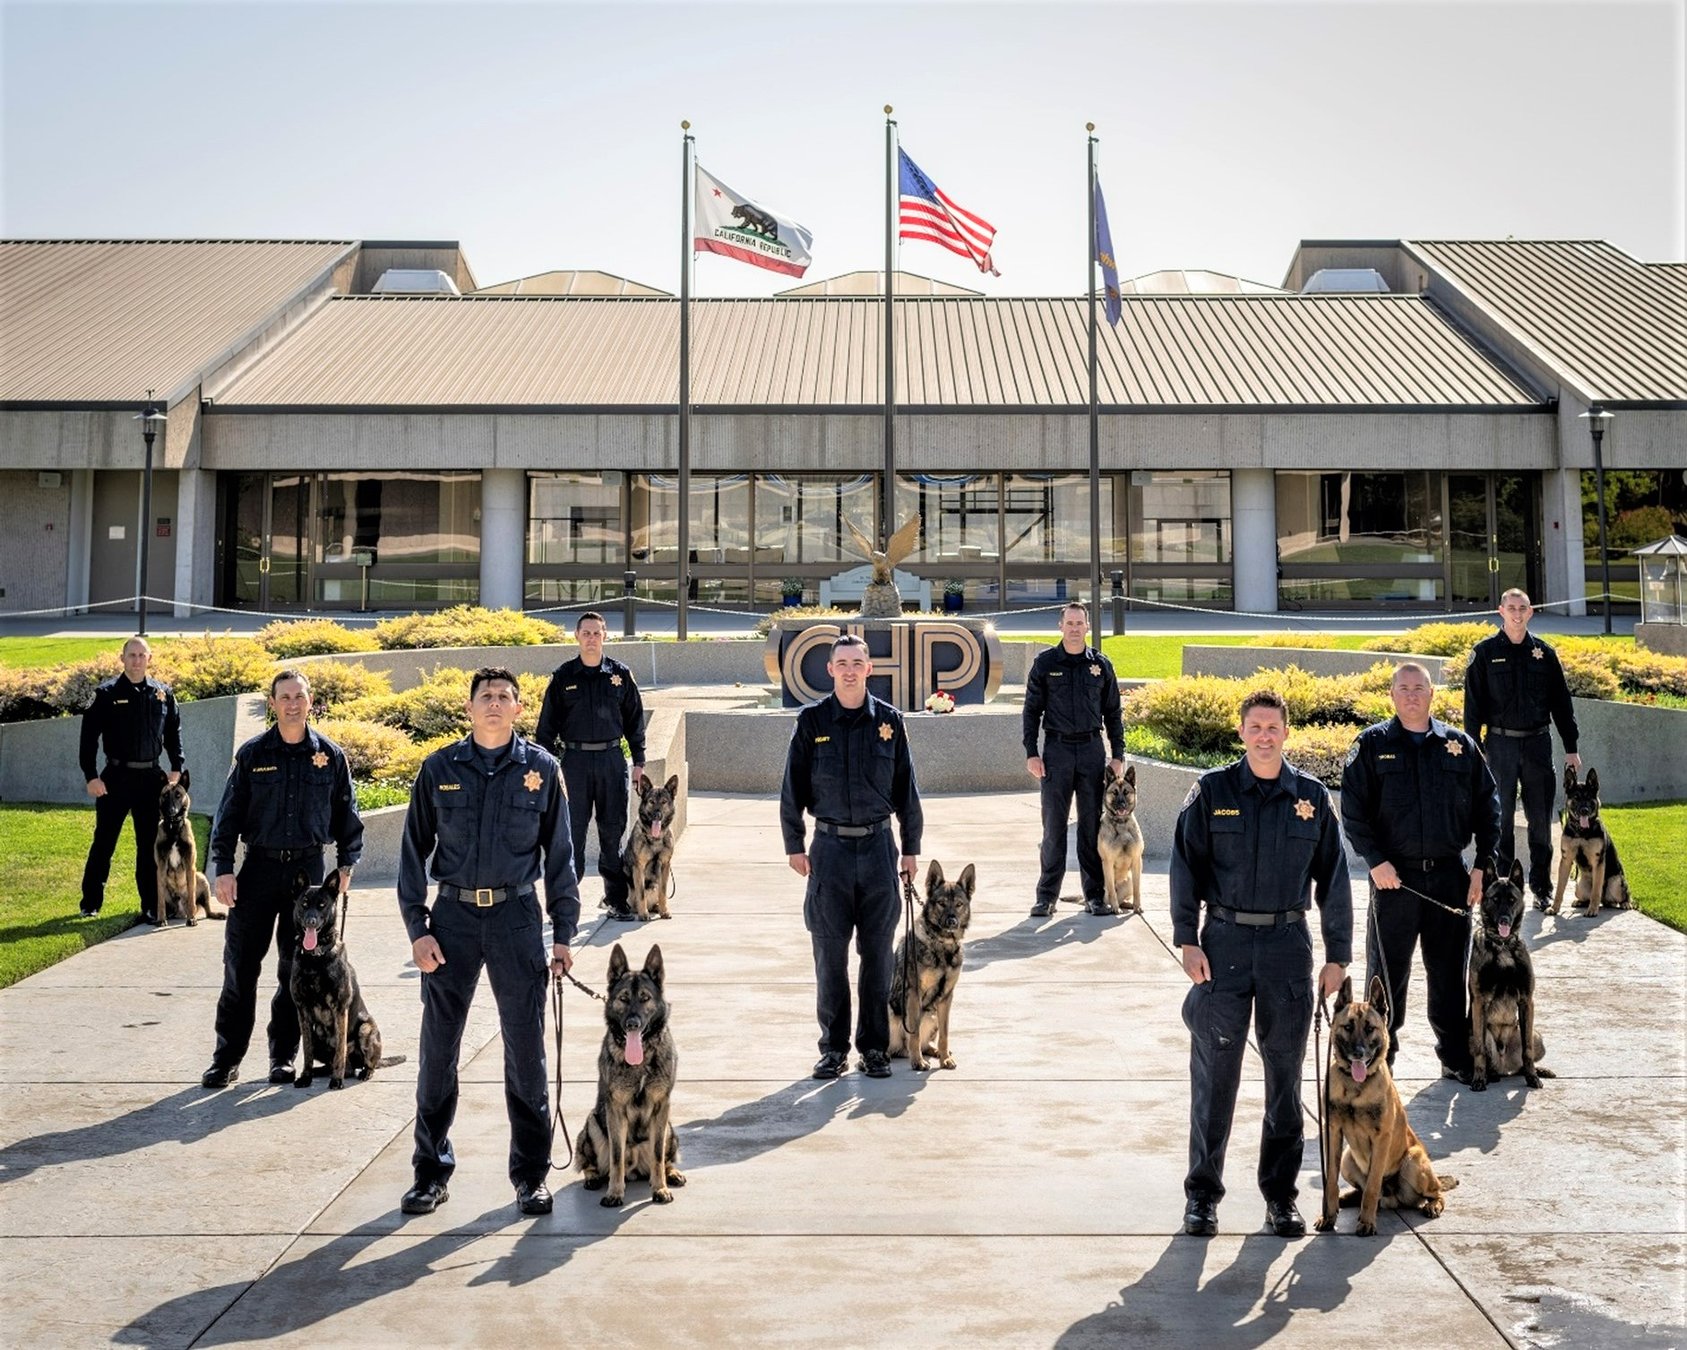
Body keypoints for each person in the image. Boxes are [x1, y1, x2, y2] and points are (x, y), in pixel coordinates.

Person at [1171, 689, 1352, 1238]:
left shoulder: (1312, 799)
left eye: (1273, 727)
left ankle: (1280, 1198)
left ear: (1286, 733)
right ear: (1242, 732)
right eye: (1255, 727)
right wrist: (1187, 938)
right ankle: (1202, 1197)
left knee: (1284, 1081)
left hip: (1286, 949)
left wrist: (1338, 955)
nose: (1264, 736)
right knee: (1214, 1078)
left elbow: (1335, 880)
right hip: (1222, 946)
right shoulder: (1212, 792)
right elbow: (1185, 866)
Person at [398, 667, 578, 1218]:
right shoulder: (440, 769)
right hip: (451, 918)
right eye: (485, 697)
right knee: (438, 1052)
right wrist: (418, 927)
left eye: (504, 697)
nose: (494, 704)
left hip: (517, 918)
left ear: (518, 709)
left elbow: (562, 858)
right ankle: (430, 1172)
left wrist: (564, 935)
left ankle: (530, 1176)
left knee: (526, 1052)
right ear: (470, 708)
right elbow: (411, 854)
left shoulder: (543, 771)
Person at [202, 669, 363, 1089]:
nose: (292, 704)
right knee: (240, 967)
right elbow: (228, 816)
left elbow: (349, 815)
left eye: (299, 696)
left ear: (311, 702)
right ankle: (226, 1058)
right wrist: (223, 869)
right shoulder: (253, 754)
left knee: (297, 972)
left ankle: (283, 1058)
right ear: (272, 703)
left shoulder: (330, 755)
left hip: (308, 875)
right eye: (284, 697)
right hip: (257, 871)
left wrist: (346, 864)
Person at [1341, 662, 1501, 1084]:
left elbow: (1490, 808)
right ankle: (1379, 1061)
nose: (1411, 694)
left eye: (1419, 687)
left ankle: (1453, 1056)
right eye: (1403, 687)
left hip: (1450, 879)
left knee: (1449, 973)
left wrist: (1482, 866)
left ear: (1432, 694)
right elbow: (1353, 811)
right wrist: (1375, 861)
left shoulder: (1459, 746)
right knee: (1386, 976)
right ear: (1391, 695)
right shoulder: (1372, 745)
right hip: (1394, 880)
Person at [780, 633, 923, 1080]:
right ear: (829, 670)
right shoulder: (811, 721)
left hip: (880, 850)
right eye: (841, 663)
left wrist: (911, 848)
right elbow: (792, 789)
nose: (848, 670)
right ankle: (833, 1048)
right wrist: (793, 845)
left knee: (878, 955)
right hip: (829, 852)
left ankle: (874, 1049)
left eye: (856, 663)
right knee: (830, 955)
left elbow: (907, 791)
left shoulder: (890, 722)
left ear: (869, 669)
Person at [1463, 588, 1581, 911]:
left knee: (1540, 818)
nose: (1517, 613)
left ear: (1531, 612)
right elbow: (1472, 709)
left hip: (1537, 744)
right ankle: (1503, 890)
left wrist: (1571, 747)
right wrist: (1472, 753)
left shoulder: (1545, 654)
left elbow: (1562, 704)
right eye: (1511, 607)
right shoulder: (1484, 654)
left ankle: (1540, 885)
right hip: (1499, 745)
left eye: (1523, 608)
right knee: (1499, 820)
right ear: (1501, 611)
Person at [535, 611, 645, 922]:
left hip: (611, 761)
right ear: (576, 636)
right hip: (575, 765)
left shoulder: (620, 675)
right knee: (572, 835)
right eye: (586, 633)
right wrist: (546, 768)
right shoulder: (563, 677)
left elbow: (635, 720)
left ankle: (616, 899)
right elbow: (546, 729)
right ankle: (565, 904)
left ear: (605, 636)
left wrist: (638, 761)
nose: (592, 638)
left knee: (613, 833)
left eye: (597, 633)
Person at [1022, 602, 1126, 917]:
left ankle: (1094, 896)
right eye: (1070, 623)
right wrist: (1031, 752)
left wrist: (1118, 754)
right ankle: (1046, 897)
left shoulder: (1101, 665)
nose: (1075, 628)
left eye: (1080, 623)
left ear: (1087, 627)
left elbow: (1113, 711)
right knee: (1053, 827)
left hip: (1092, 751)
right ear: (1061, 626)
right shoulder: (1045, 663)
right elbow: (1031, 710)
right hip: (1057, 751)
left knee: (1091, 826)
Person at [78, 636, 183, 921]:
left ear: (150, 658)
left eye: (141, 655)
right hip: (115, 778)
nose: (137, 660)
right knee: (104, 842)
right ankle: (90, 902)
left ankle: (150, 904)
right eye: (131, 655)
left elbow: (174, 733)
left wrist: (176, 766)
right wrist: (91, 777)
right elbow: (88, 740)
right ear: (122, 659)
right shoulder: (106, 694)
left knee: (148, 845)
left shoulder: (162, 693)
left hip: (151, 779)